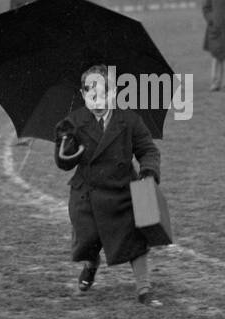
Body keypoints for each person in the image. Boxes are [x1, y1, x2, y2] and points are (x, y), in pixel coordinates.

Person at [54, 64, 163, 305]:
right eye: (90, 94)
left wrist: (148, 171)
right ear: (83, 94)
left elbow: (148, 150)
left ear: (113, 92)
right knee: (88, 240)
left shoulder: (130, 120)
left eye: (103, 93)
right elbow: (64, 165)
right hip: (86, 194)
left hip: (123, 190)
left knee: (136, 238)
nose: (97, 100)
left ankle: (143, 289)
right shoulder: (73, 122)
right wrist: (64, 143)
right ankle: (91, 264)